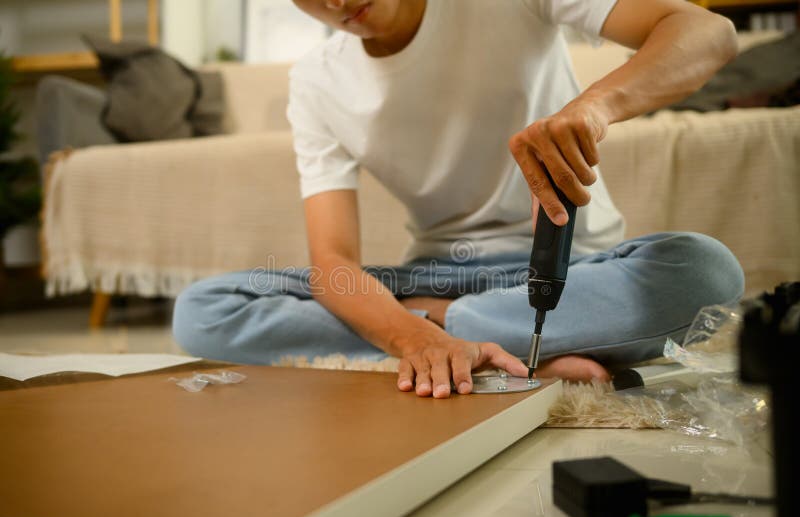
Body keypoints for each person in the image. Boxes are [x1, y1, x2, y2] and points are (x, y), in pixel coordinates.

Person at [173, 0, 744, 398]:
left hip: (569, 269)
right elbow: (333, 263)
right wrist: (414, 333)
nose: (335, 0)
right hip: (436, 279)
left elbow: (707, 32)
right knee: (204, 309)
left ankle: (473, 342)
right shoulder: (316, 80)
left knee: (704, 272)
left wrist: (593, 107)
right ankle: (510, 345)